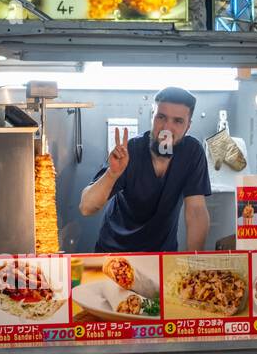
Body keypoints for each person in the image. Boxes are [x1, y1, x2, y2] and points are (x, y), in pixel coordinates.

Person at [80, 86, 211, 253]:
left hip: (162, 256)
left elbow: (196, 211)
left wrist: (197, 263)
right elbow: (86, 207)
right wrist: (112, 174)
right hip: (115, 254)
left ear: (188, 127)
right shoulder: (131, 151)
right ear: (152, 116)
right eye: (161, 117)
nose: (167, 127)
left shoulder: (192, 152)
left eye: (178, 121)